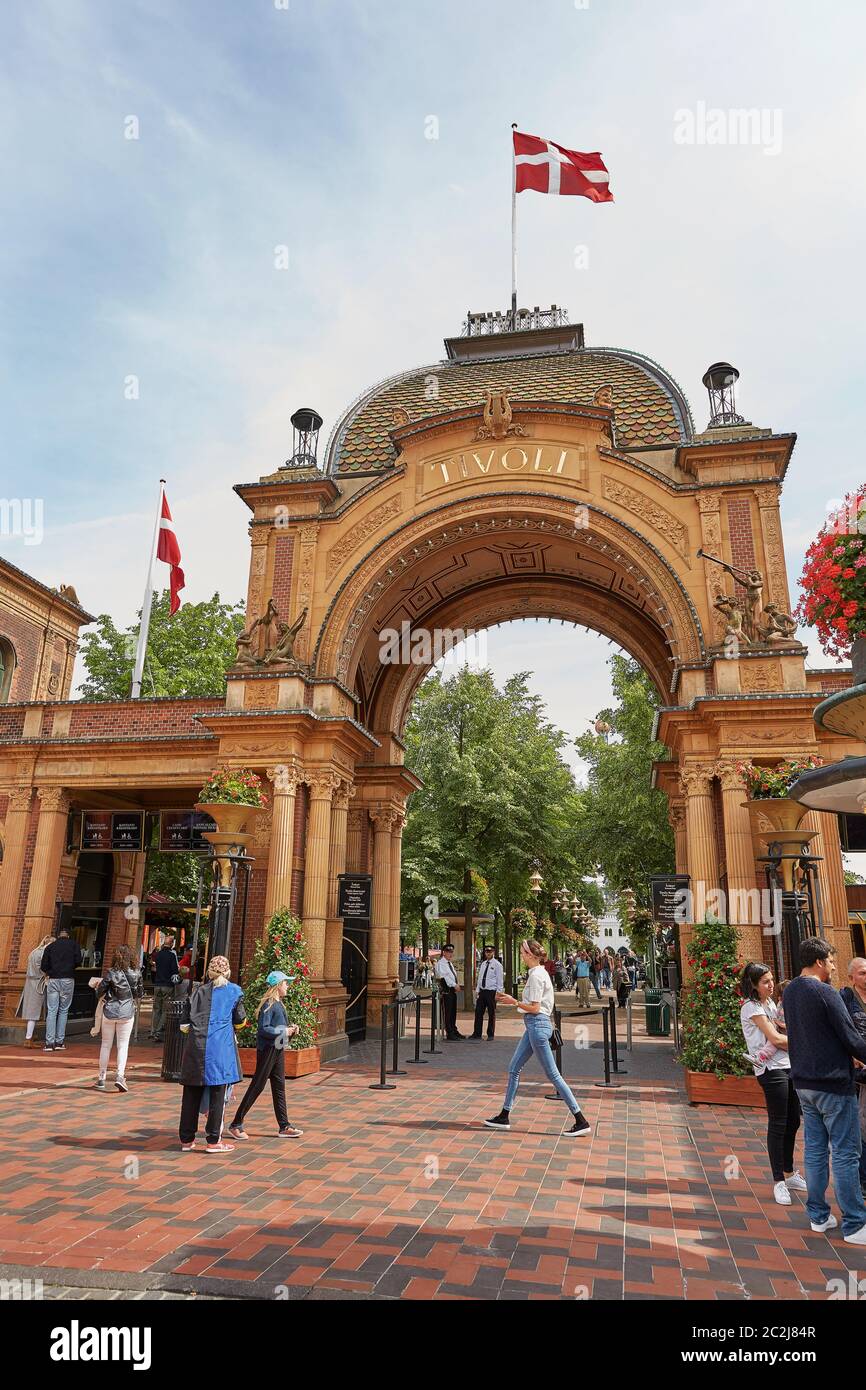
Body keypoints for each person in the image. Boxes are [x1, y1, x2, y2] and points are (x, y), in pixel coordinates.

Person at [782, 937, 866, 1244]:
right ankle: (855, 1224)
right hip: (832, 1084)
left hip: (804, 1083)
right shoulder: (825, 992)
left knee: (816, 1151)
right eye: (830, 961)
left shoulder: (790, 991)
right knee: (846, 1154)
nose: (832, 966)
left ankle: (818, 1216)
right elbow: (851, 1037)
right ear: (819, 962)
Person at [485, 939, 590, 1138]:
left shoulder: (536, 976)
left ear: (531, 955)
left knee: (553, 1075)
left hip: (536, 1025)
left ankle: (580, 1119)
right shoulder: (540, 973)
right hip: (535, 1025)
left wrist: (513, 1001)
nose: (521, 956)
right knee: (514, 1068)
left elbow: (534, 1007)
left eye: (523, 953)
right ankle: (504, 1114)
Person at [739, 962, 805, 1206]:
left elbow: (781, 1032)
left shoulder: (770, 1004)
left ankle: (788, 1173)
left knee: (794, 1120)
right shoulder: (751, 1007)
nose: (770, 984)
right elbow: (775, 1038)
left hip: (788, 1064)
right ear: (753, 985)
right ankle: (778, 1181)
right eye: (765, 981)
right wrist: (802, 1039)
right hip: (770, 1069)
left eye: (771, 979)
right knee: (778, 1122)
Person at [178, 955, 246, 1153]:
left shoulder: (196, 992)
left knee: (191, 1094)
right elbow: (240, 1021)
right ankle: (214, 1140)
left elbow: (183, 1026)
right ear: (227, 973)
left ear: (209, 972)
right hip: (220, 1050)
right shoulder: (234, 991)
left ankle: (187, 1140)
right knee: (218, 1095)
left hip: (195, 1048)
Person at [228, 971, 303, 1139]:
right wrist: (284, 1030)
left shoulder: (279, 1004)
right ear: (278, 985)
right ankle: (236, 1124)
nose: (288, 986)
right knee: (257, 1086)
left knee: (279, 1087)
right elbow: (264, 1029)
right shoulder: (269, 1004)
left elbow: (277, 1028)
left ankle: (284, 1126)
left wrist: (291, 1030)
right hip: (268, 1049)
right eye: (286, 983)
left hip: (277, 1048)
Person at [93, 945, 143, 1093]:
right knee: (123, 1045)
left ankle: (101, 1077)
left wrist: (98, 987)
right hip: (127, 1012)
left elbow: (100, 991)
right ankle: (120, 1076)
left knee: (106, 1045)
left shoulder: (111, 973)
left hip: (110, 1011)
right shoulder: (136, 973)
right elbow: (139, 994)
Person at [839, 956, 866, 1199]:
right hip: (858, 1071)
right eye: (862, 973)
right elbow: (842, 1031)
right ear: (851, 977)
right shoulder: (846, 998)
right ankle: (862, 1178)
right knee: (860, 1124)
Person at [40, 924, 82, 1051]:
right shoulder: (74, 945)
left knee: (52, 1010)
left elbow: (43, 966)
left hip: (53, 979)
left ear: (58, 935)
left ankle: (49, 1043)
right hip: (68, 979)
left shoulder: (50, 947)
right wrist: (70, 968)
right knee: (63, 1010)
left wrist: (51, 972)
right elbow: (78, 961)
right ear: (68, 935)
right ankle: (59, 1042)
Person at [17, 934, 53, 1046]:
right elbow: (43, 969)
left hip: (30, 983)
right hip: (38, 983)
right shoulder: (43, 954)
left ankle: (30, 1035)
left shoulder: (34, 952)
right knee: (34, 1012)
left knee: (32, 1011)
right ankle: (28, 1038)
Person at [150, 934, 180, 1043]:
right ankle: (158, 1032)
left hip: (157, 985)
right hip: (167, 985)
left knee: (156, 1008)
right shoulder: (171, 956)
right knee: (164, 1010)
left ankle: (153, 1031)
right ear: (171, 943)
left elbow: (154, 968)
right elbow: (175, 971)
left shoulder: (158, 955)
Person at [470, 944, 503, 1040]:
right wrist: (477, 990)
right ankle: (477, 1034)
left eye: (490, 951)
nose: (488, 953)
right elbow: (480, 978)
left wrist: (498, 993)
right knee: (478, 1012)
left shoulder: (497, 965)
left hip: (491, 992)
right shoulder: (483, 964)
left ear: (493, 952)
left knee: (491, 1013)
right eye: (486, 952)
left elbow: (499, 980)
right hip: (482, 991)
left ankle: (490, 1034)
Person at [435, 943, 463, 1040]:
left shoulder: (449, 963)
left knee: (453, 1012)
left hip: (452, 991)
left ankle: (453, 1030)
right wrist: (454, 985)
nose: (450, 954)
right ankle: (450, 1033)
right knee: (448, 1012)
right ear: (444, 952)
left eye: (451, 952)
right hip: (447, 991)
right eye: (448, 951)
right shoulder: (441, 963)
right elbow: (445, 977)